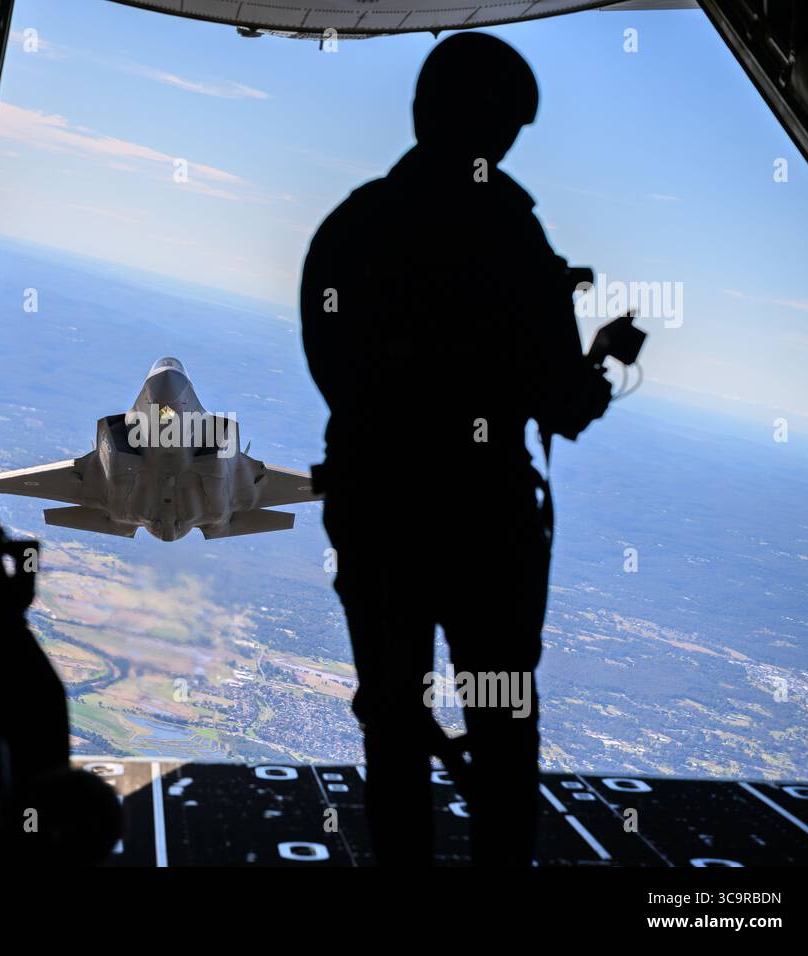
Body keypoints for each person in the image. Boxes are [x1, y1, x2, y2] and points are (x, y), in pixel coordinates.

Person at [300, 31, 612, 866]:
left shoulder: (357, 222)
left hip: (375, 511)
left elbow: (333, 364)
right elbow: (564, 404)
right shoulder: (510, 231)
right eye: (509, 125)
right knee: (502, 720)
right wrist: (599, 367)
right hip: (483, 524)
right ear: (496, 125)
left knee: (393, 717)